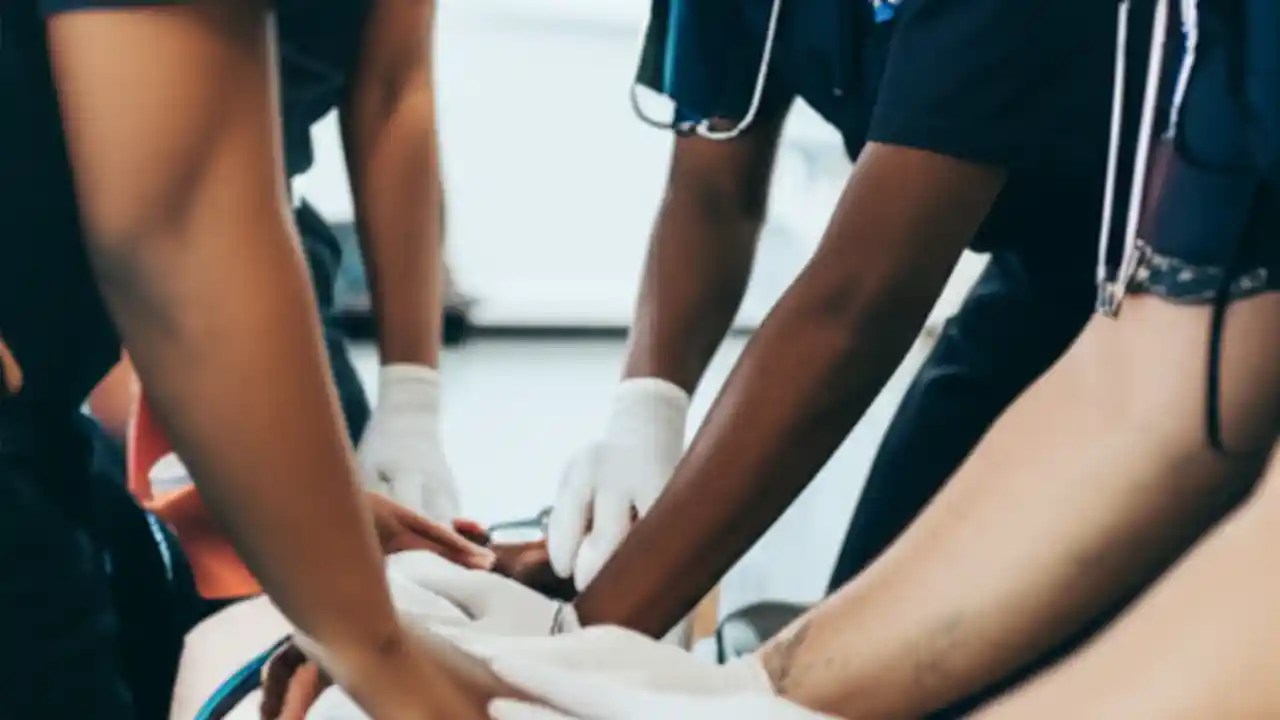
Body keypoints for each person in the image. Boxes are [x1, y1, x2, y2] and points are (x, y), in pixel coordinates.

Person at [406, 0, 1280, 716]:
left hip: (1100, 283)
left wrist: (590, 632)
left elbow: (861, 298)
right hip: (1133, 301)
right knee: (879, 622)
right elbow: (1159, 394)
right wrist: (648, 413)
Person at [0, 0, 515, 716]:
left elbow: (392, 90)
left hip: (73, 366)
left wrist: (405, 405)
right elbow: (177, 233)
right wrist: (375, 648)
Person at [547, 0, 1103, 595]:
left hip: (1172, 288)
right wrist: (646, 411)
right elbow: (715, 189)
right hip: (1040, 268)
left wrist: (601, 620)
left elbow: (862, 298)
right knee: (876, 600)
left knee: (950, 639)